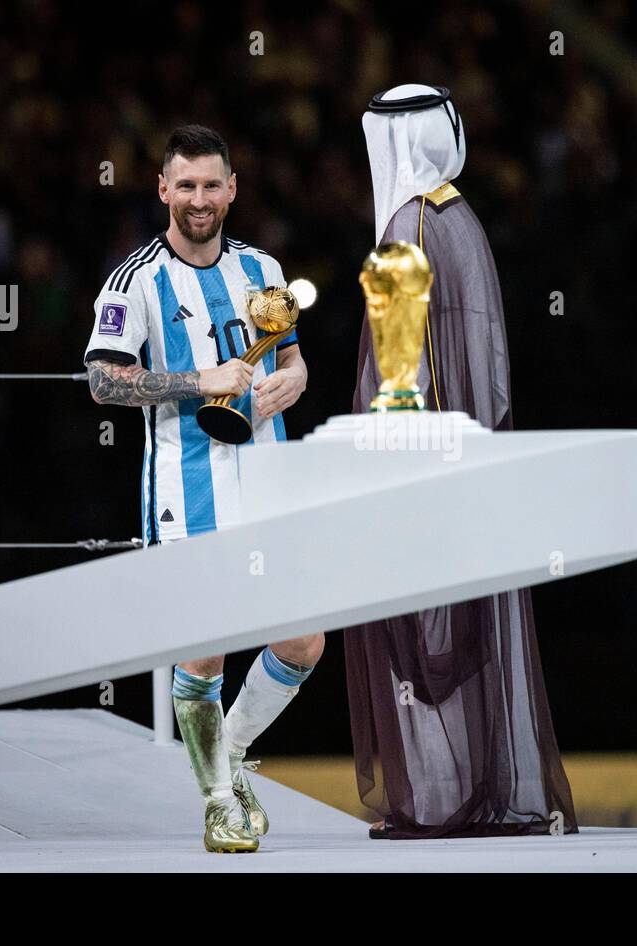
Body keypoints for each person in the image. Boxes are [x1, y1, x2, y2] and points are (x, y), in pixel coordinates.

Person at [344, 85, 579, 839]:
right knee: (468, 626)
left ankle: (440, 804)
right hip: (472, 459)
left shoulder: (406, 225)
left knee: (420, 635)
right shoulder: (459, 217)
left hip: (420, 466)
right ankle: (482, 795)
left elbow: (397, 370)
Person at [83, 124, 323, 853]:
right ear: (163, 190)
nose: (199, 198)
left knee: (306, 641)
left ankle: (233, 754)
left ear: (232, 189)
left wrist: (292, 381)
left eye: (211, 184)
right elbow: (101, 380)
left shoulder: (263, 268)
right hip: (184, 489)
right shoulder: (135, 280)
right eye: (185, 185)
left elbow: (295, 358)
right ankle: (219, 800)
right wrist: (199, 382)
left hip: (268, 481)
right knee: (205, 649)